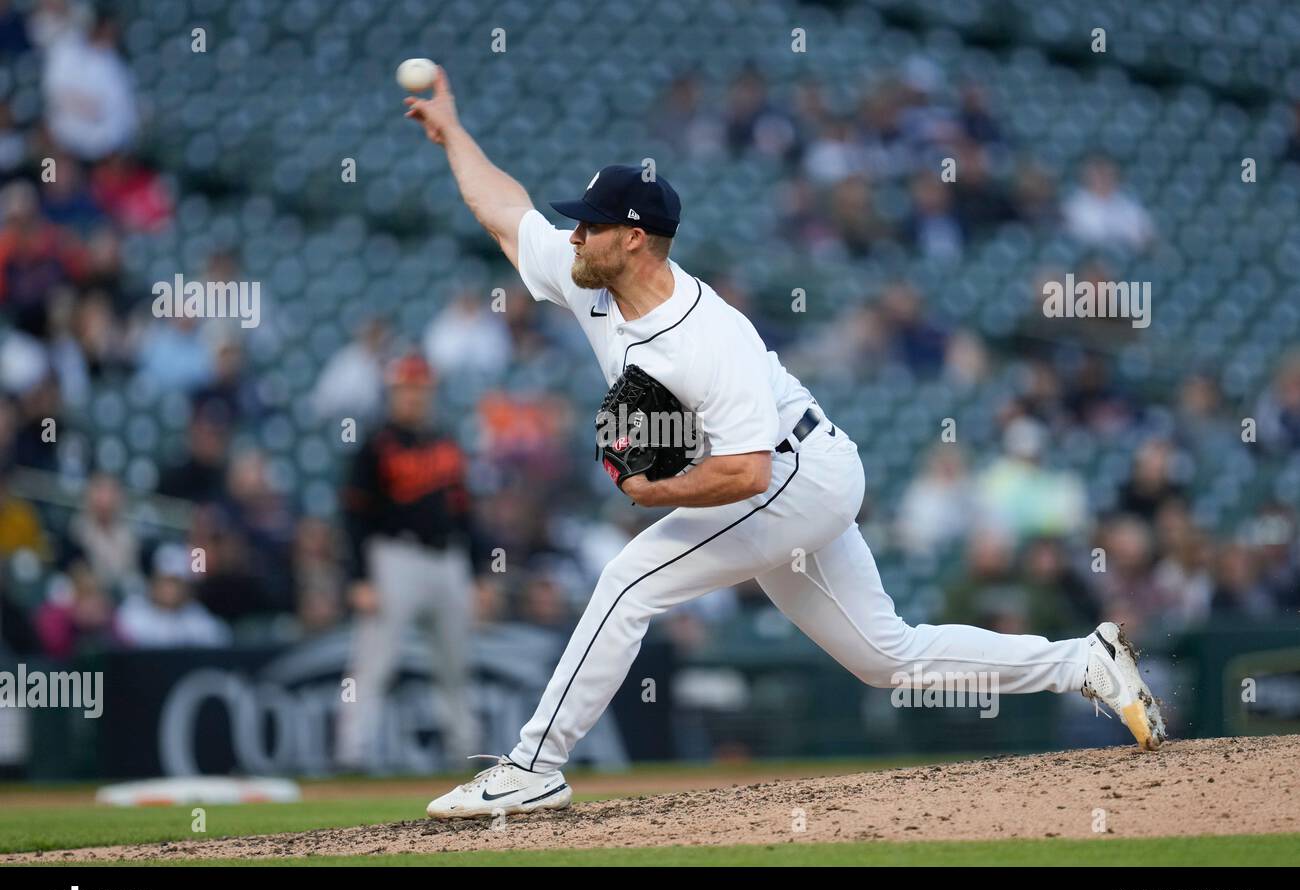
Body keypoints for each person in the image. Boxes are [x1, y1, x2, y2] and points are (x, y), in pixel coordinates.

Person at [404, 68, 1167, 820]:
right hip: (794, 471)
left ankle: (534, 767)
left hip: (793, 475)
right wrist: (454, 132)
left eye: (592, 224)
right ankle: (1083, 660)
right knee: (886, 657)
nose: (575, 233)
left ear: (633, 239)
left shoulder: (709, 337)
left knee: (629, 582)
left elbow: (745, 471)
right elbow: (505, 212)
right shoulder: (587, 279)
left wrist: (652, 492)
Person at [336, 353, 481, 770]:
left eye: (420, 388)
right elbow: (354, 517)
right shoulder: (375, 446)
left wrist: (479, 572)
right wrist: (359, 577)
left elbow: (466, 514)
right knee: (373, 662)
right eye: (406, 389)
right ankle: (353, 754)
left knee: (456, 664)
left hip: (448, 560)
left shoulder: (447, 444)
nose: (414, 397)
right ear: (392, 393)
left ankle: (465, 751)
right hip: (393, 558)